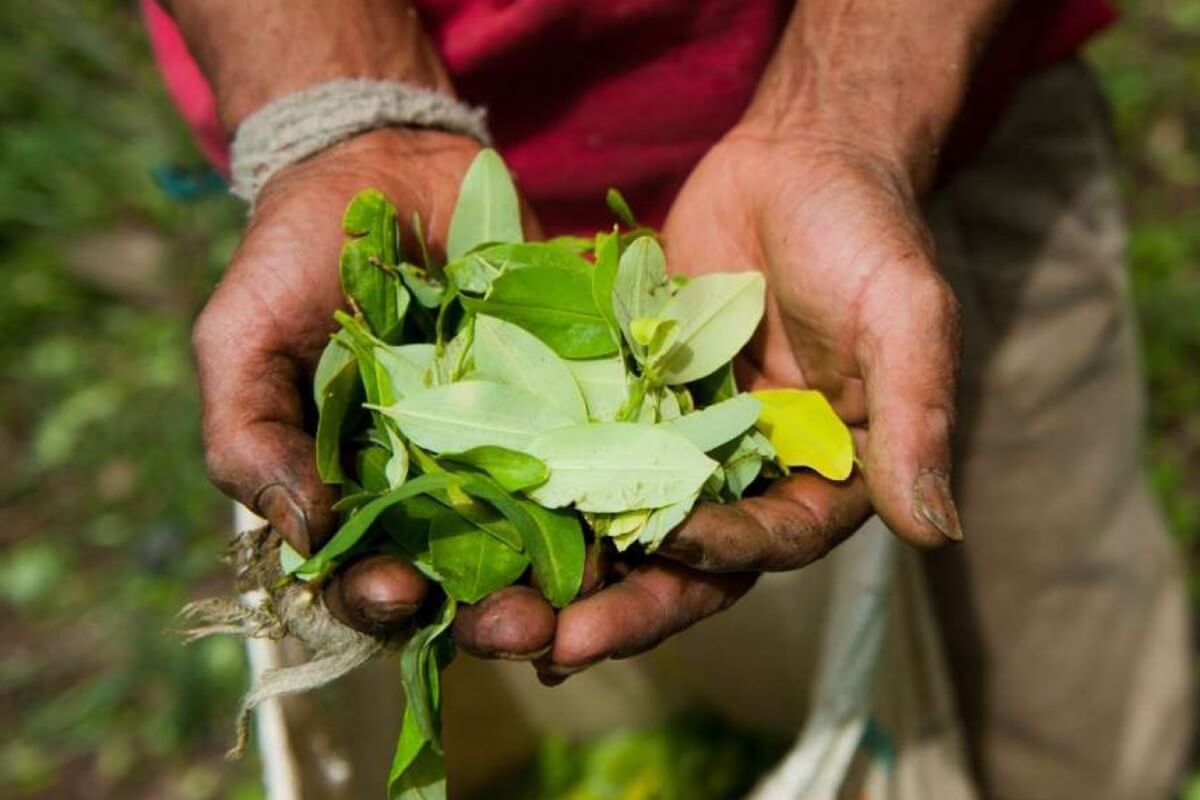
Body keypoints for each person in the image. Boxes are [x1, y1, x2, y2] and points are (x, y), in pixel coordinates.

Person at [148, 0, 1193, 797]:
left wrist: (852, 111)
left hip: (933, 102)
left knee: (1073, 707)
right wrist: (342, 109)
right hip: (407, 190)